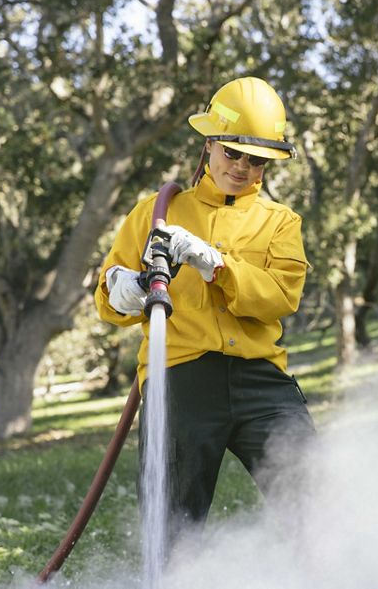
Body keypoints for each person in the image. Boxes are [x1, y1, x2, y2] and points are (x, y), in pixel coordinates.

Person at [95, 76, 315, 548]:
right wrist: (126, 289)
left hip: (261, 379)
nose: (241, 166)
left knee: (314, 500)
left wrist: (215, 264)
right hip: (180, 378)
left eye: (256, 160)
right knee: (172, 527)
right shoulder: (155, 213)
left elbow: (281, 296)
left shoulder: (280, 222)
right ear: (210, 145)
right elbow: (108, 300)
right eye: (232, 152)